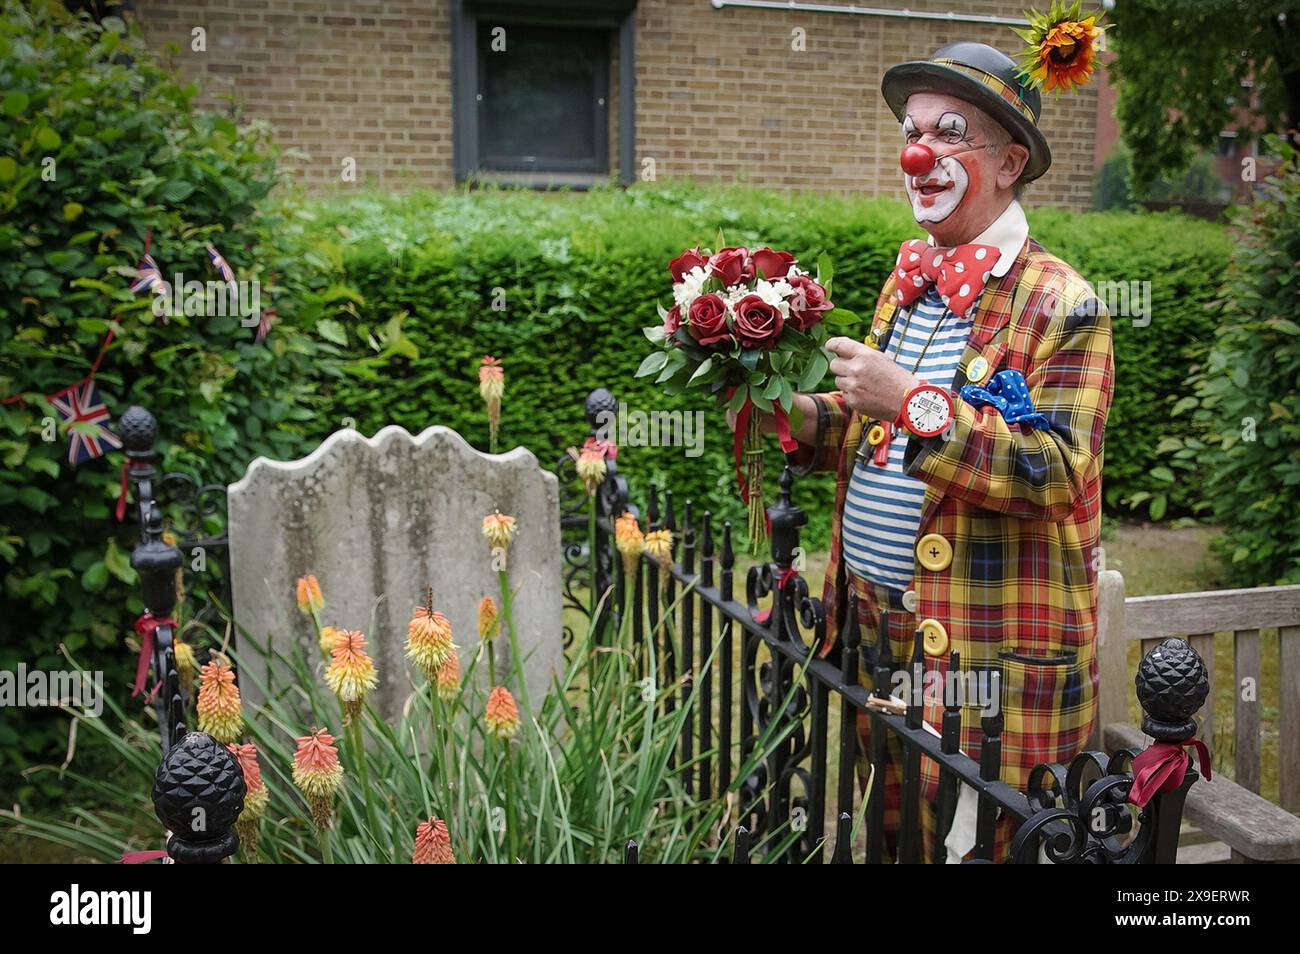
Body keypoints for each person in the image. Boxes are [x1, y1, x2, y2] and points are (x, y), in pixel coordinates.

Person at [741, 41, 1114, 862]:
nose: (919, 154)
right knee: (897, 835)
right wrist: (801, 414)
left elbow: (1052, 472)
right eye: (913, 132)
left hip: (988, 651)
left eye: (950, 133)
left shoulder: (1066, 304)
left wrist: (911, 400)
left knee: (985, 843)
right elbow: (870, 423)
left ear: (1010, 162)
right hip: (879, 626)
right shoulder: (909, 280)